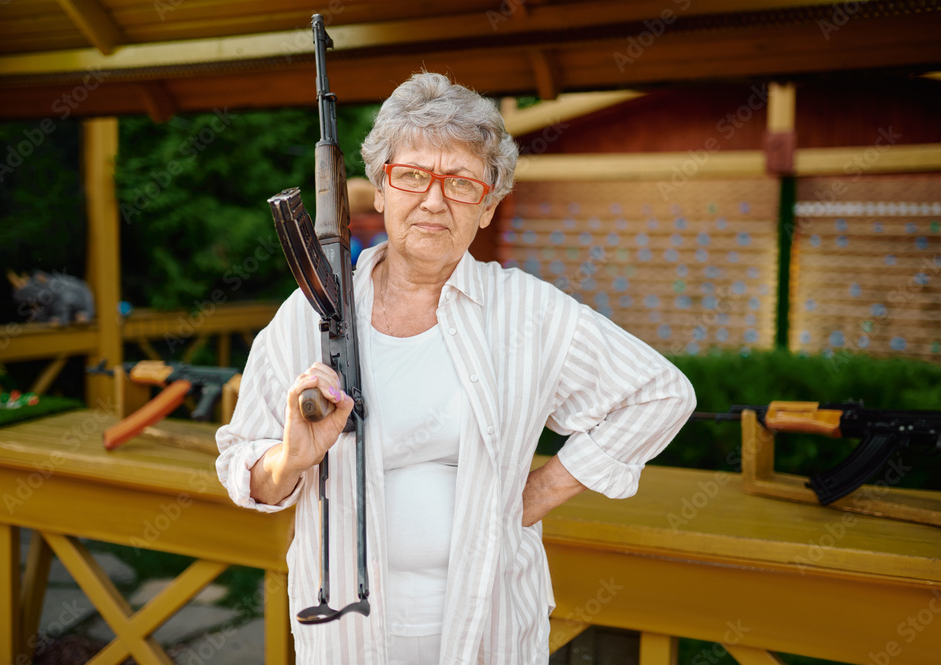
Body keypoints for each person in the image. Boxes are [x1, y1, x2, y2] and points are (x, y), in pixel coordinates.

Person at [215, 71, 696, 665]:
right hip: (345, 637)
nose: (435, 199)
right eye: (413, 176)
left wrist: (538, 493)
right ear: (381, 189)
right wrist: (293, 457)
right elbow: (244, 468)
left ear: (488, 206)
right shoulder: (307, 314)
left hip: (491, 629)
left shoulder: (529, 312)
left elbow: (660, 394)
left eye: (463, 183)